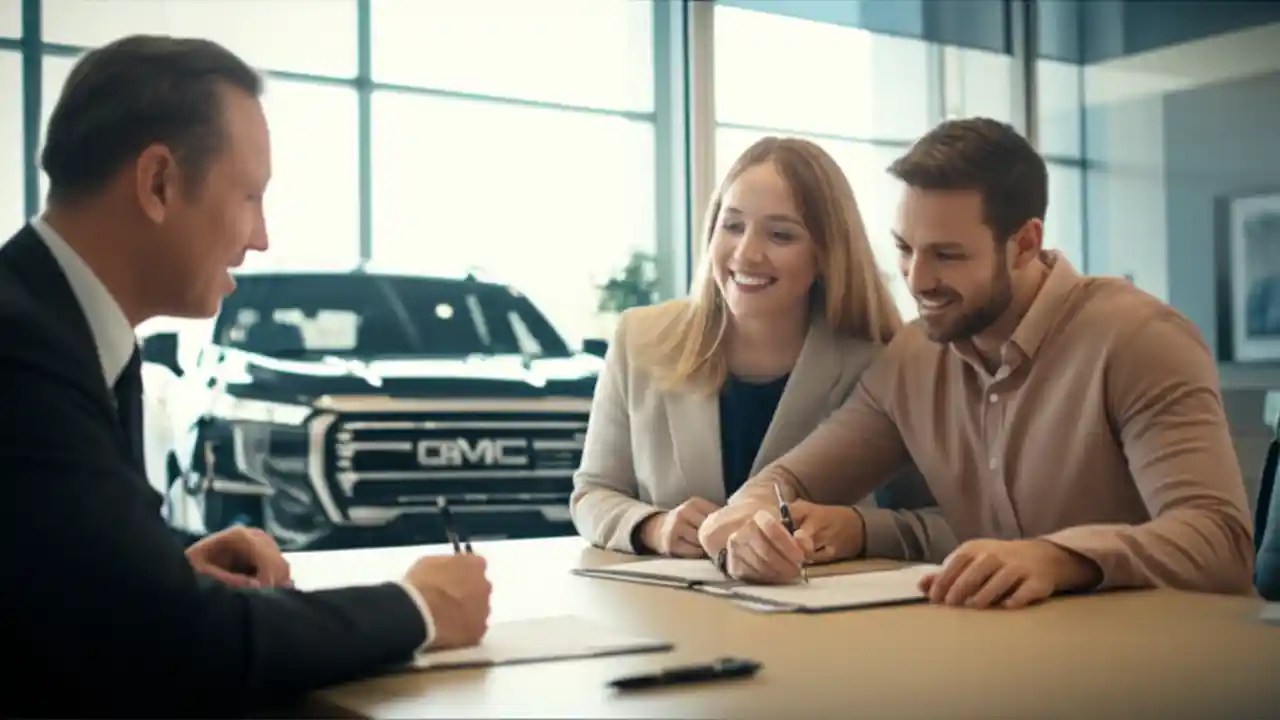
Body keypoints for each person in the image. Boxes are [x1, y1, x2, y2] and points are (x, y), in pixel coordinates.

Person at [0, 36, 490, 716]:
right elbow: (174, 641)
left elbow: (55, 566)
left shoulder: (56, 325)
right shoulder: (22, 349)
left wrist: (167, 562)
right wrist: (420, 608)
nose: (260, 237)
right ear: (159, 183)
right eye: (250, 196)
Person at [697, 118, 1255, 607]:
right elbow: (790, 480)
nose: (917, 280)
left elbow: (1220, 542)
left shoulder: (1140, 340)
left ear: (1025, 243)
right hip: (1001, 661)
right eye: (905, 249)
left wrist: (1059, 559)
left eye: (947, 254)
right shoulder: (912, 359)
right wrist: (750, 528)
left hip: (1165, 661)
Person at [570, 137, 955, 562]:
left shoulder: (882, 362)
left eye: (780, 235)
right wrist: (653, 527)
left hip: (826, 618)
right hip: (672, 611)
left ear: (827, 253)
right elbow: (593, 493)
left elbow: (945, 522)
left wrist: (859, 530)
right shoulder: (639, 339)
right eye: (732, 226)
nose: (747, 253)